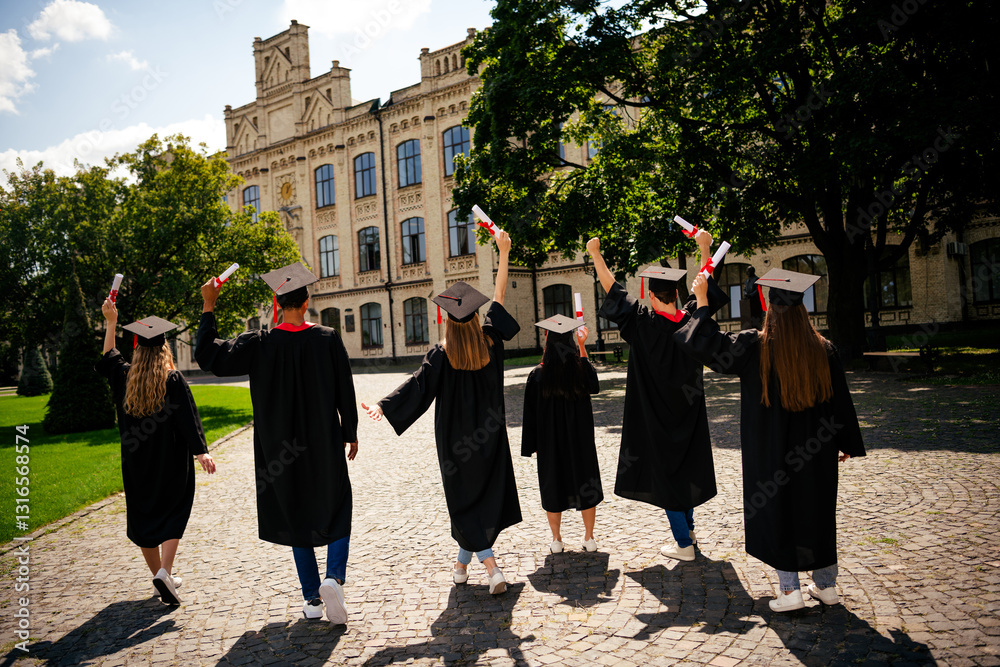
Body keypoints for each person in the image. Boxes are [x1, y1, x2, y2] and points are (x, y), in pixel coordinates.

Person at [675, 268, 866, 612]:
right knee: (817, 511)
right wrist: (845, 442)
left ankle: (791, 591)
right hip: (817, 450)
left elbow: (709, 345)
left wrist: (702, 301)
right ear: (802, 308)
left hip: (772, 453)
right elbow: (841, 402)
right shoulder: (824, 349)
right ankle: (826, 586)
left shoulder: (754, 346)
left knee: (781, 513)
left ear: (769, 306)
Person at [195, 262, 358, 623]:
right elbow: (344, 388)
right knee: (338, 506)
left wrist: (209, 304)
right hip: (323, 440)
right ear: (307, 301)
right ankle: (333, 577)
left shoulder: (259, 343)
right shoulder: (328, 338)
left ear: (277, 303)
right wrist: (350, 432)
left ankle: (312, 600)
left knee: (296, 511)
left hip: (279, 448)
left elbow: (208, 357)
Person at [362, 230, 521, 595]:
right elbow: (499, 295)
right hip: (491, 438)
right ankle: (461, 566)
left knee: (464, 503)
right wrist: (504, 252)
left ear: (448, 320)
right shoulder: (491, 343)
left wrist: (384, 405)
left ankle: (493, 569)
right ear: (476, 316)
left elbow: (416, 386)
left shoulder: (441, 355)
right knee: (481, 501)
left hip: (455, 444)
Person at [586, 232, 728, 561]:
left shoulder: (642, 324)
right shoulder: (692, 322)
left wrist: (595, 254)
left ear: (650, 296)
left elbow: (612, 288)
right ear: (677, 294)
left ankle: (683, 544)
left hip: (655, 417)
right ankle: (689, 531)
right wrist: (705, 247)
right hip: (688, 413)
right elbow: (704, 285)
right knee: (685, 469)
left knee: (667, 476)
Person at [96, 304, 216, 605]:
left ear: (137, 350)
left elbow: (109, 357)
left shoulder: (125, 376)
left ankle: (159, 578)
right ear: (164, 349)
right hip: (170, 461)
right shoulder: (172, 379)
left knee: (144, 517)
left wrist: (111, 323)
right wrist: (201, 452)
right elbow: (188, 418)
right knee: (174, 510)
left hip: (136, 462)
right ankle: (165, 571)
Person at [521, 314, 602, 553]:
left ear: (547, 344)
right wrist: (583, 347)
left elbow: (530, 415)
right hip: (580, 441)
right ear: (570, 342)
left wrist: (532, 445)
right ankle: (589, 537)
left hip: (550, 443)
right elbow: (594, 385)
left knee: (553, 485)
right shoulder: (579, 370)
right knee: (585, 482)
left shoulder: (538, 375)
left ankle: (556, 540)